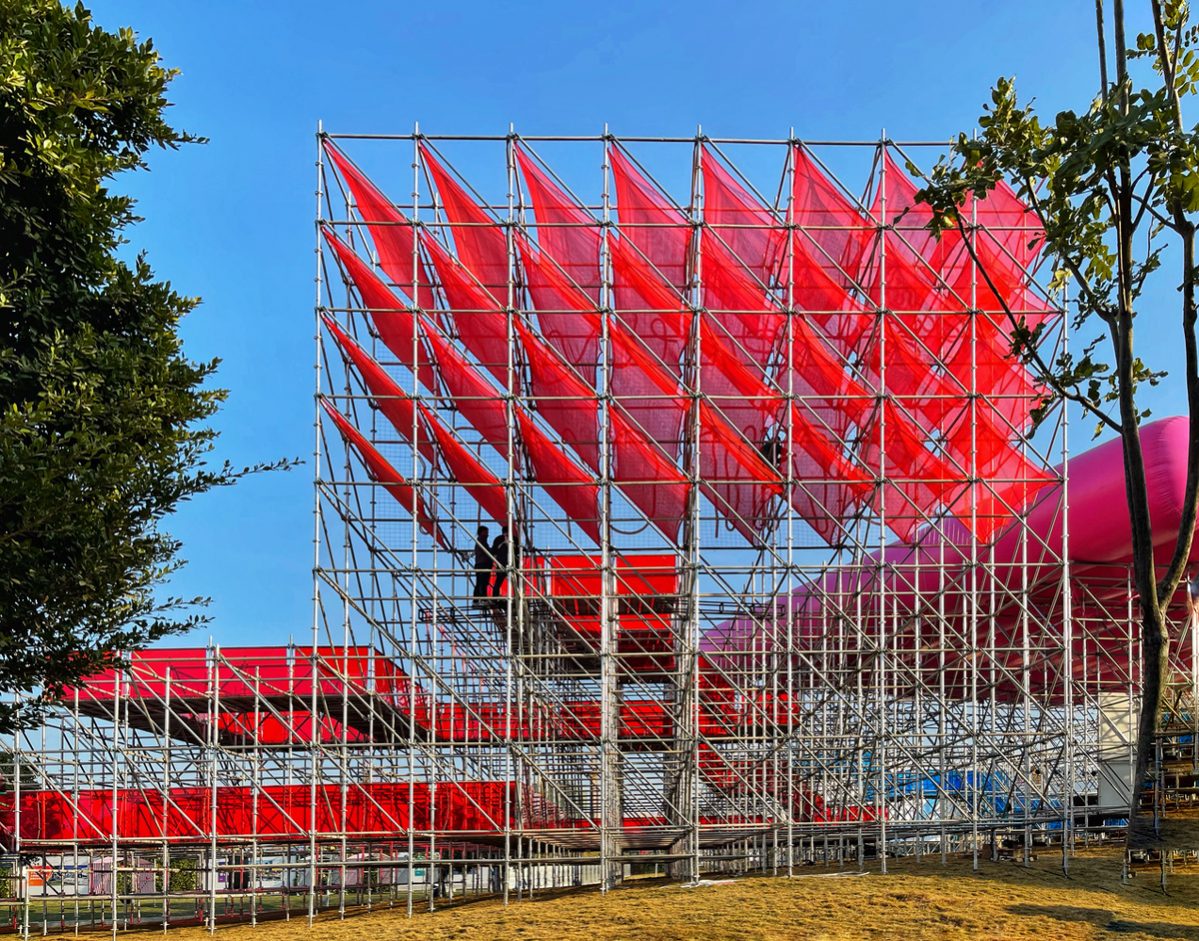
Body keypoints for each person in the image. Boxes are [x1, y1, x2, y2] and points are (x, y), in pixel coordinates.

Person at [491, 525, 520, 598]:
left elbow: (494, 551)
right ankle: (518, 596)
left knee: (498, 581)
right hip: (512, 563)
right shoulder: (514, 539)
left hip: (501, 563)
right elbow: (519, 551)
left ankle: (495, 597)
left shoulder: (498, 539)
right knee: (516, 581)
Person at [472, 525, 493, 602]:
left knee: (481, 582)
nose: (487, 534)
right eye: (486, 532)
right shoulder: (482, 541)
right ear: (481, 532)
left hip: (481, 564)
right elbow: (487, 551)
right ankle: (482, 599)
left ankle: (478, 599)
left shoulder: (481, 541)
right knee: (482, 582)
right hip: (482, 564)